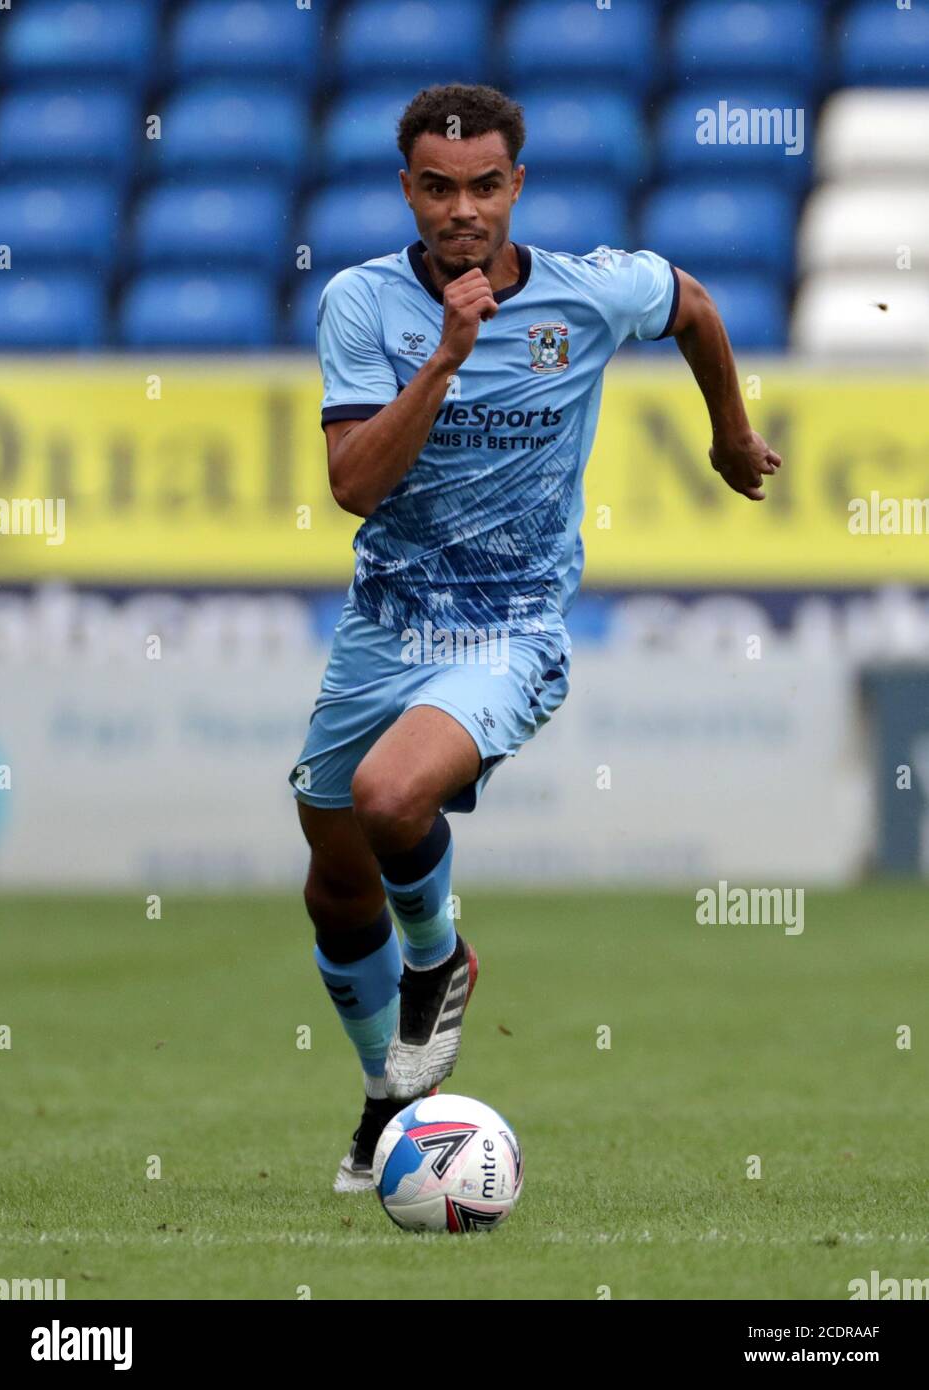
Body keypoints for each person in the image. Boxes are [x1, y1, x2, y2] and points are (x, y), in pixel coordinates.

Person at [288, 83, 782, 1192]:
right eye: (437, 187)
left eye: (483, 186)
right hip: (385, 624)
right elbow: (355, 487)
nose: (462, 209)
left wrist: (732, 436)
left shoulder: (587, 293)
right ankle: (389, 1100)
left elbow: (692, 302)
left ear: (517, 186)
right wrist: (448, 357)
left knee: (389, 798)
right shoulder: (364, 305)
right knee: (334, 880)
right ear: (406, 189)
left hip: (510, 624)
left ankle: (442, 958)